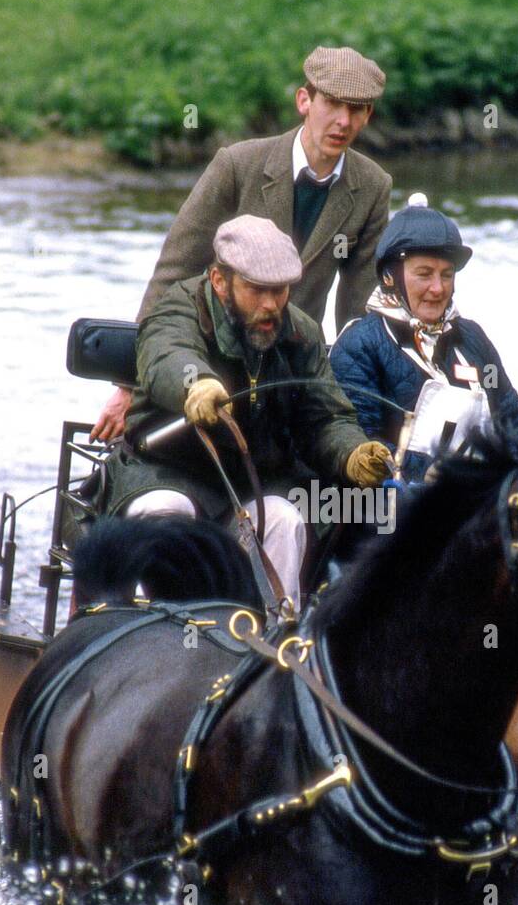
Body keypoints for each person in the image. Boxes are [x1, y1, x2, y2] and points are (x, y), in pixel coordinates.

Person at [92, 46, 392, 442]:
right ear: (304, 100)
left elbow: (358, 314)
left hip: (289, 369)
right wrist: (128, 384)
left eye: (357, 109)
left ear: (368, 115)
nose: (343, 121)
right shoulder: (238, 164)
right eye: (332, 103)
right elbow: (175, 270)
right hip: (207, 357)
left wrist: (352, 407)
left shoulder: (373, 186)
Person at [101, 215, 389, 610]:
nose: (271, 305)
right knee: (165, 514)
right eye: (257, 290)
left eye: (281, 290)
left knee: (287, 519)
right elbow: (168, 355)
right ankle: (166, 634)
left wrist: (353, 453)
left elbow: (325, 418)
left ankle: (272, 645)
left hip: (254, 483)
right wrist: (196, 385)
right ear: (220, 281)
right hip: (164, 471)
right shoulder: (175, 310)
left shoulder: (300, 334)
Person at [329, 196, 518, 482]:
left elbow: (513, 417)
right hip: (388, 509)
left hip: (476, 492)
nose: (438, 288)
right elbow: (360, 441)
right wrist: (427, 472)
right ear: (389, 276)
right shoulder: (358, 345)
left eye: (446, 275)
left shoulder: (472, 337)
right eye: (424, 274)